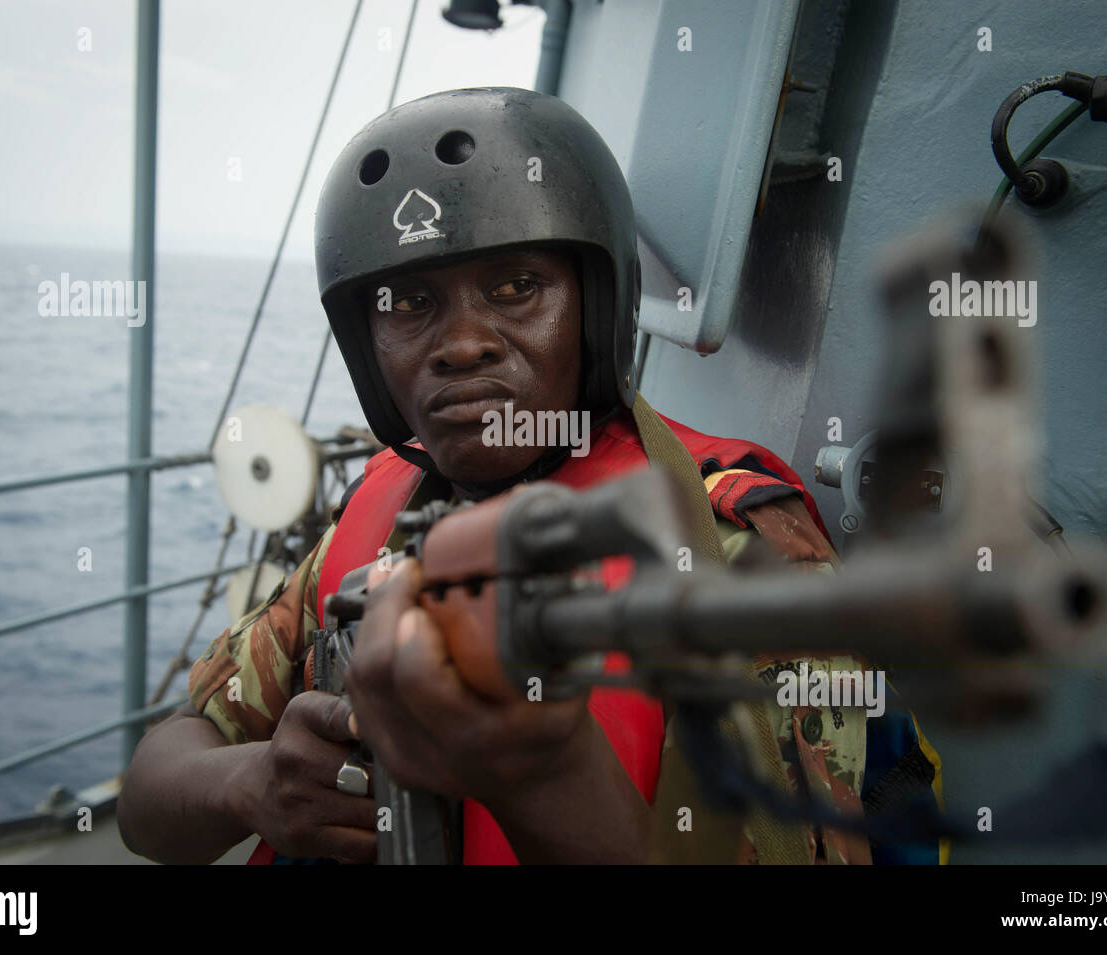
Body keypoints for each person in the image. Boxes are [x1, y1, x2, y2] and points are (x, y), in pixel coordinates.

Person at [116, 87, 943, 865]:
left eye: (516, 288)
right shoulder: (379, 511)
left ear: (596, 305)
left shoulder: (737, 543)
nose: (461, 343)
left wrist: (541, 772)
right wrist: (249, 782)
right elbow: (152, 792)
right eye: (407, 302)